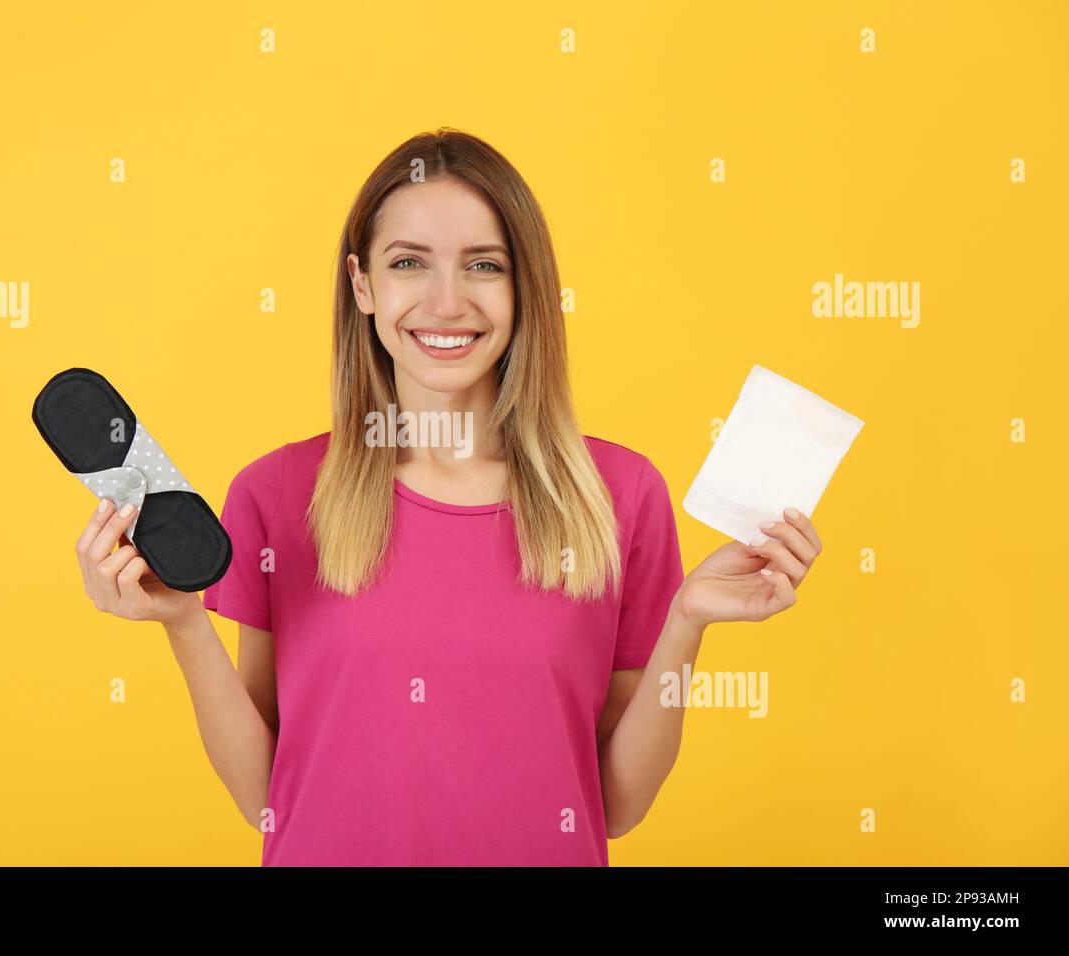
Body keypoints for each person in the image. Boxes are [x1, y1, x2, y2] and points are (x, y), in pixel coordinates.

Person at [72, 127, 823, 866]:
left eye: (484, 266)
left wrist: (687, 624)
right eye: (409, 263)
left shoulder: (618, 497)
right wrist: (182, 623)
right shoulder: (275, 495)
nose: (446, 301)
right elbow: (267, 798)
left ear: (524, 288)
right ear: (363, 284)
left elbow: (617, 808)